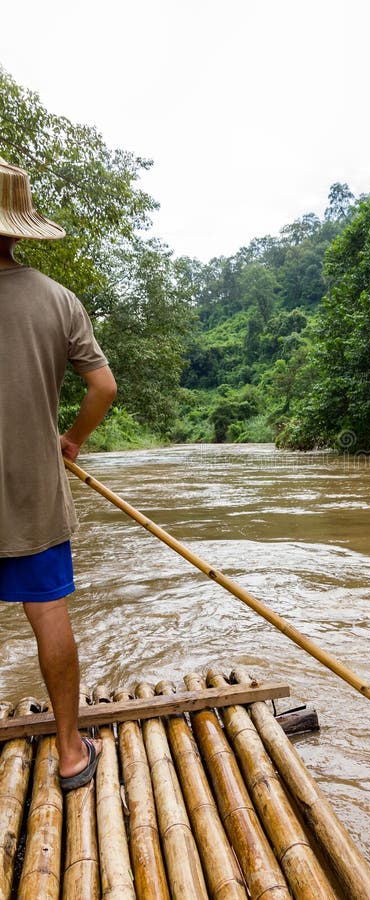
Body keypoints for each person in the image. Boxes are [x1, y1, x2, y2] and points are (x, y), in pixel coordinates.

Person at [0, 157, 117, 790]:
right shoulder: (56, 300)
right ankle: (72, 753)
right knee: (48, 612)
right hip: (31, 493)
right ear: (19, 228)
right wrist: (70, 439)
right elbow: (103, 386)